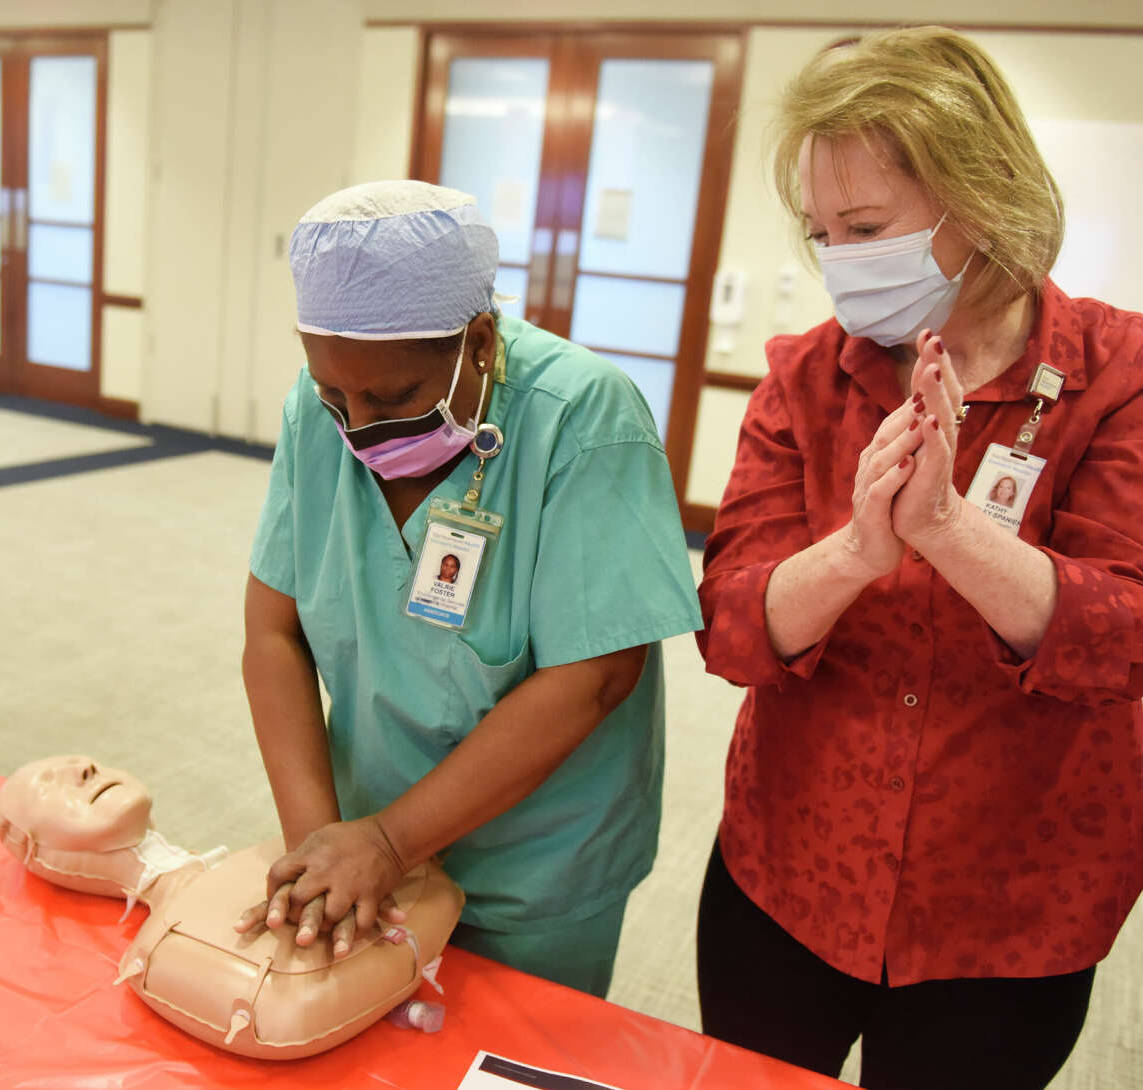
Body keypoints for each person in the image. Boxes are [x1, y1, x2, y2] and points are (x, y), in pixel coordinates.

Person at [696, 25, 1143, 1090]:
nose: (841, 260)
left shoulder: (1115, 375)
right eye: (822, 232)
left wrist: (948, 529)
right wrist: (859, 548)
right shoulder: (806, 380)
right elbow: (733, 626)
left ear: (979, 197)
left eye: (867, 226)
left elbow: (1118, 640)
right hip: (789, 875)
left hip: (1010, 908)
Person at [241, 180, 701, 998]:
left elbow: (595, 677)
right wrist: (325, 846)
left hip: (536, 864)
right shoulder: (317, 417)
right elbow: (273, 635)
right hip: (364, 822)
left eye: (392, 398)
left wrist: (390, 842)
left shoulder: (582, 418)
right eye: (333, 393)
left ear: (480, 341)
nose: (359, 426)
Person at [0, 755, 464, 1060]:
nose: (85, 770)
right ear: (37, 852)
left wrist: (384, 847)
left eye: (82, 760)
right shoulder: (164, 947)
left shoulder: (245, 874)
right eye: (51, 784)